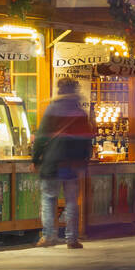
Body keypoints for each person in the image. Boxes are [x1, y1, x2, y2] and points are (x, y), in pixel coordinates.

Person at [32, 77, 95, 249]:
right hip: (72, 164)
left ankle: (48, 236)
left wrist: (35, 159)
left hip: (53, 161)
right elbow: (87, 140)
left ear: (59, 90)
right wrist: (83, 162)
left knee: (48, 198)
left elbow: (42, 136)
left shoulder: (52, 108)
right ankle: (72, 239)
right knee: (72, 202)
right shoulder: (80, 113)